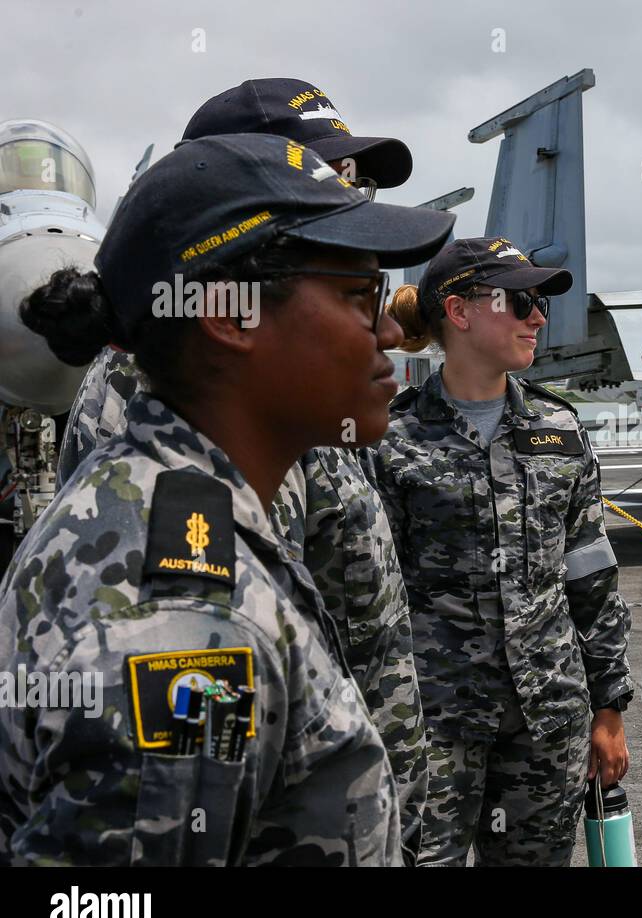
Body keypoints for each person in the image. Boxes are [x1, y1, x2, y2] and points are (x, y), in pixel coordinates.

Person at [0, 132, 454, 865]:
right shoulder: (185, 628)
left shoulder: (178, 508)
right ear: (227, 315)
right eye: (356, 295)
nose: (394, 331)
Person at [365, 237, 634, 866]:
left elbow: (591, 578)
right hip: (430, 727)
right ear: (459, 313)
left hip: (546, 720)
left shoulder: (561, 432)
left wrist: (609, 707)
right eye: (520, 301)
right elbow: (369, 603)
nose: (538, 317)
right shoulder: (390, 441)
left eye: (539, 302)